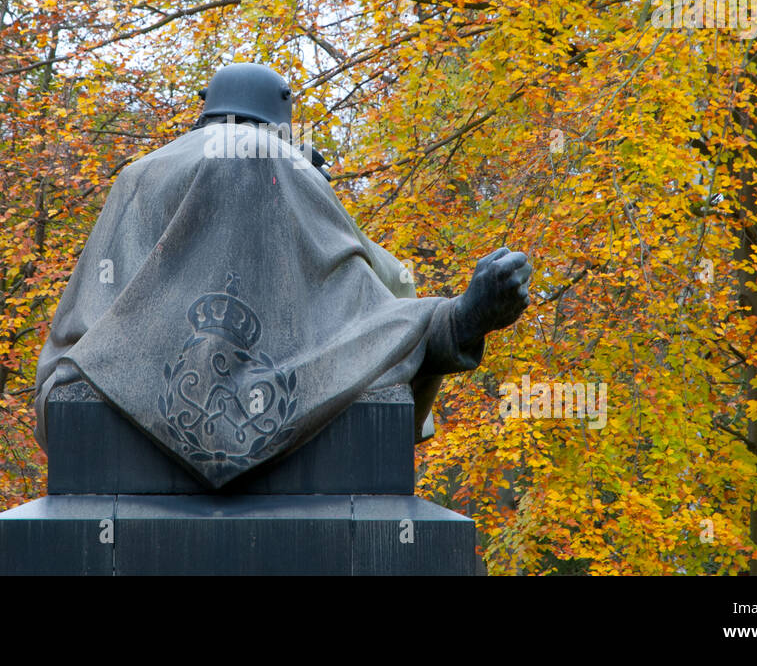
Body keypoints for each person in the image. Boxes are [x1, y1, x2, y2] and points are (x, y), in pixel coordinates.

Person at [33, 62, 531, 488]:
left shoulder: (140, 175)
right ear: (282, 121)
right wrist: (458, 319)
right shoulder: (291, 170)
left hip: (126, 390)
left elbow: (80, 325)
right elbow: (379, 300)